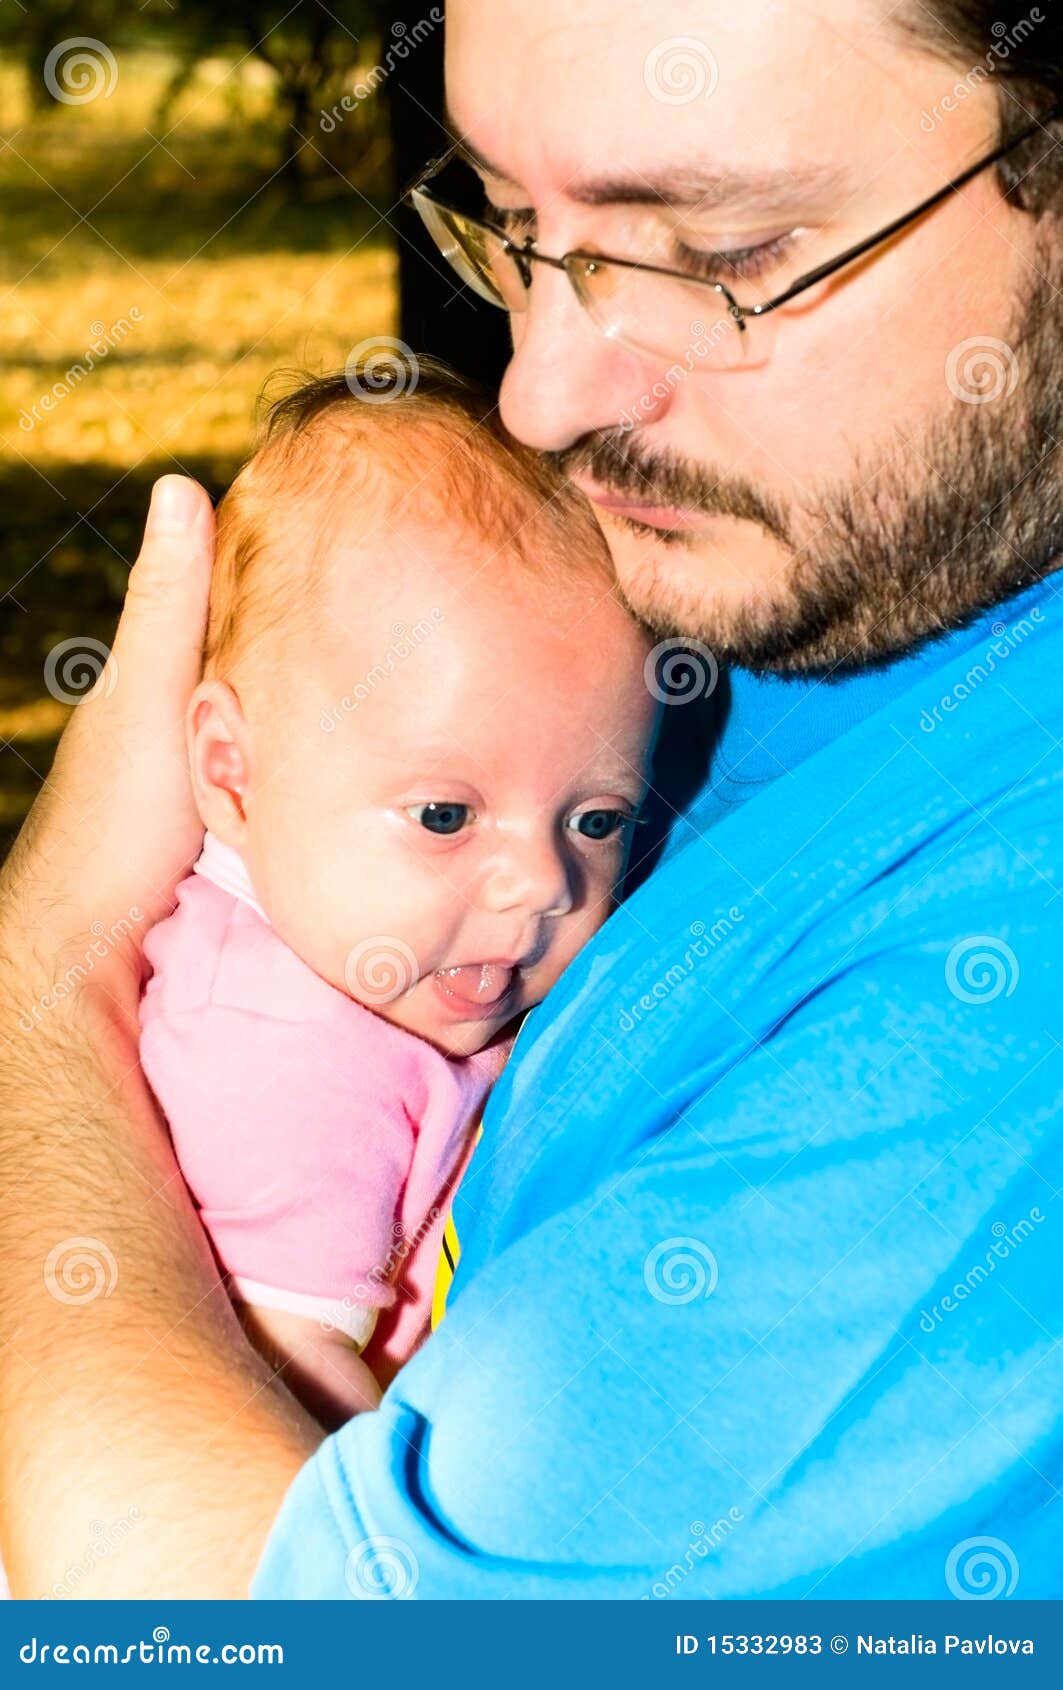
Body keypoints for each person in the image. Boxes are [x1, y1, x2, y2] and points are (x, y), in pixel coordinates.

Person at [1, 0, 1061, 1600]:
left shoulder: (1002, 1019)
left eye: (714, 252)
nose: (539, 397)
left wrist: (44, 970)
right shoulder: (766, 569)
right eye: (512, 227)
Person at [139, 365, 653, 1426]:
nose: (539, 882)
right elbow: (269, 1402)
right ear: (232, 772)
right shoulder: (290, 1058)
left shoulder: (352, 936)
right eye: (444, 817)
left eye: (595, 819)